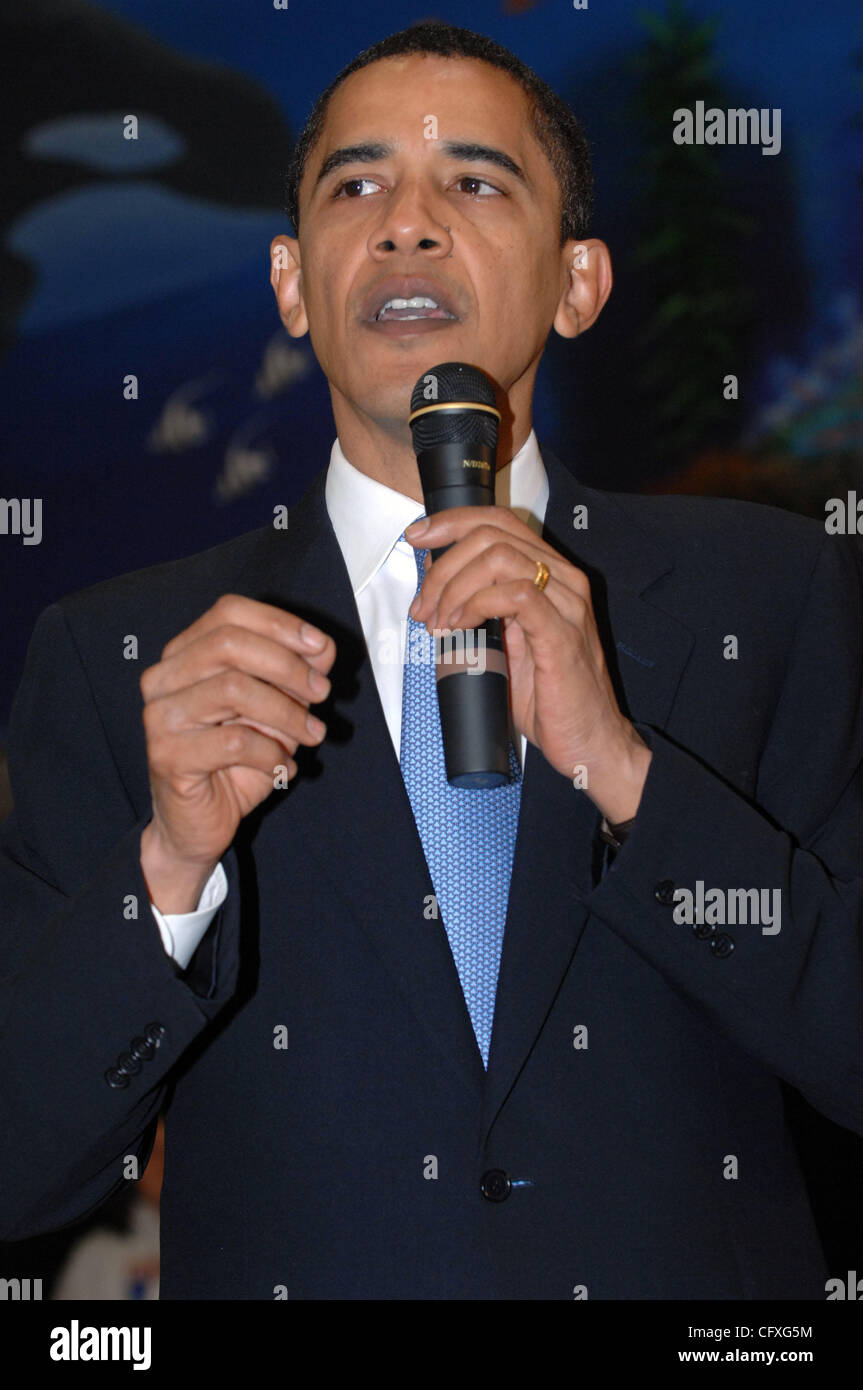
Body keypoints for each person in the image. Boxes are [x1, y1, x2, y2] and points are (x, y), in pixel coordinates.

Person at [1, 21, 861, 1301]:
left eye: (472, 182)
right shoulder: (122, 657)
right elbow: (21, 1166)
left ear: (580, 282)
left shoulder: (770, 593)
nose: (405, 224)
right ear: (291, 284)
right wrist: (170, 874)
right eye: (355, 187)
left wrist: (627, 774)